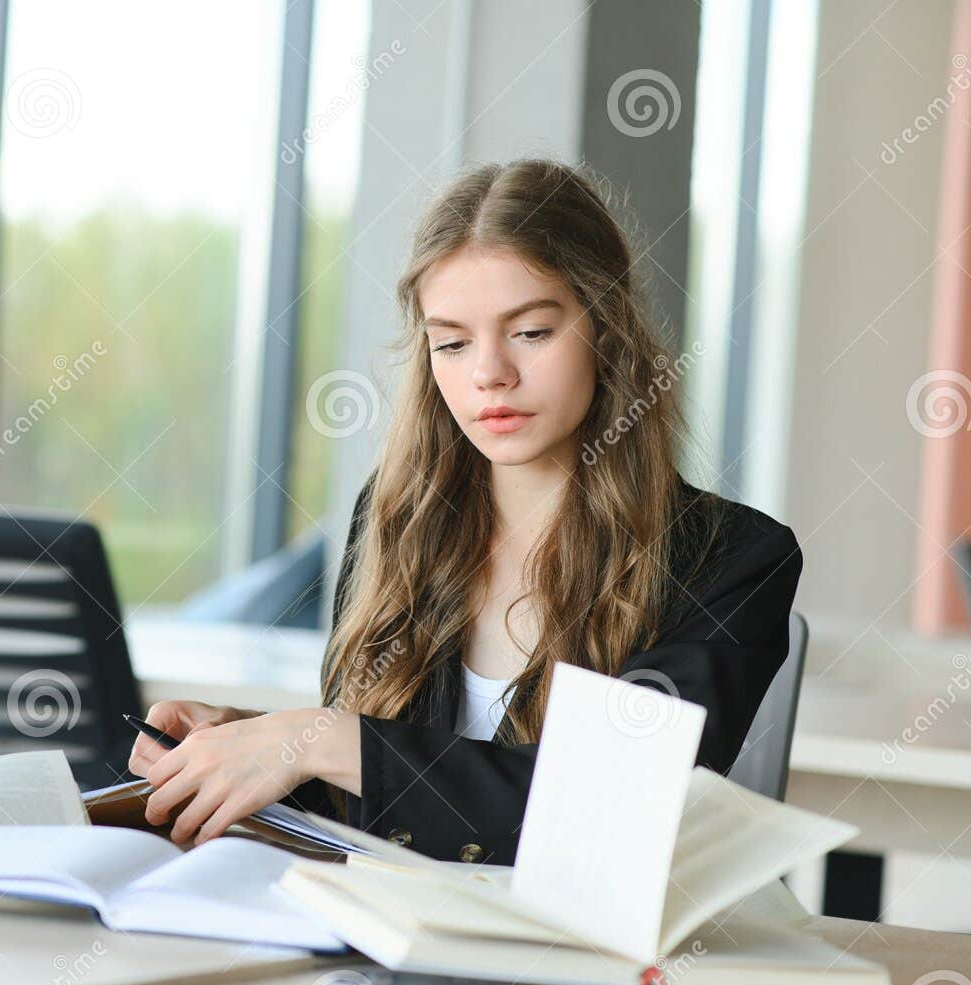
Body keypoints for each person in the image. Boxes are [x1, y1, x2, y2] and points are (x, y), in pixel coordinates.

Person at [129, 158, 802, 863]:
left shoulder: (732, 560)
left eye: (532, 332)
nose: (489, 373)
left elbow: (610, 809)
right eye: (451, 342)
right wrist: (251, 746)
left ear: (606, 329)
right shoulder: (397, 521)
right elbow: (391, 807)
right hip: (384, 947)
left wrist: (324, 739)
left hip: (577, 964)